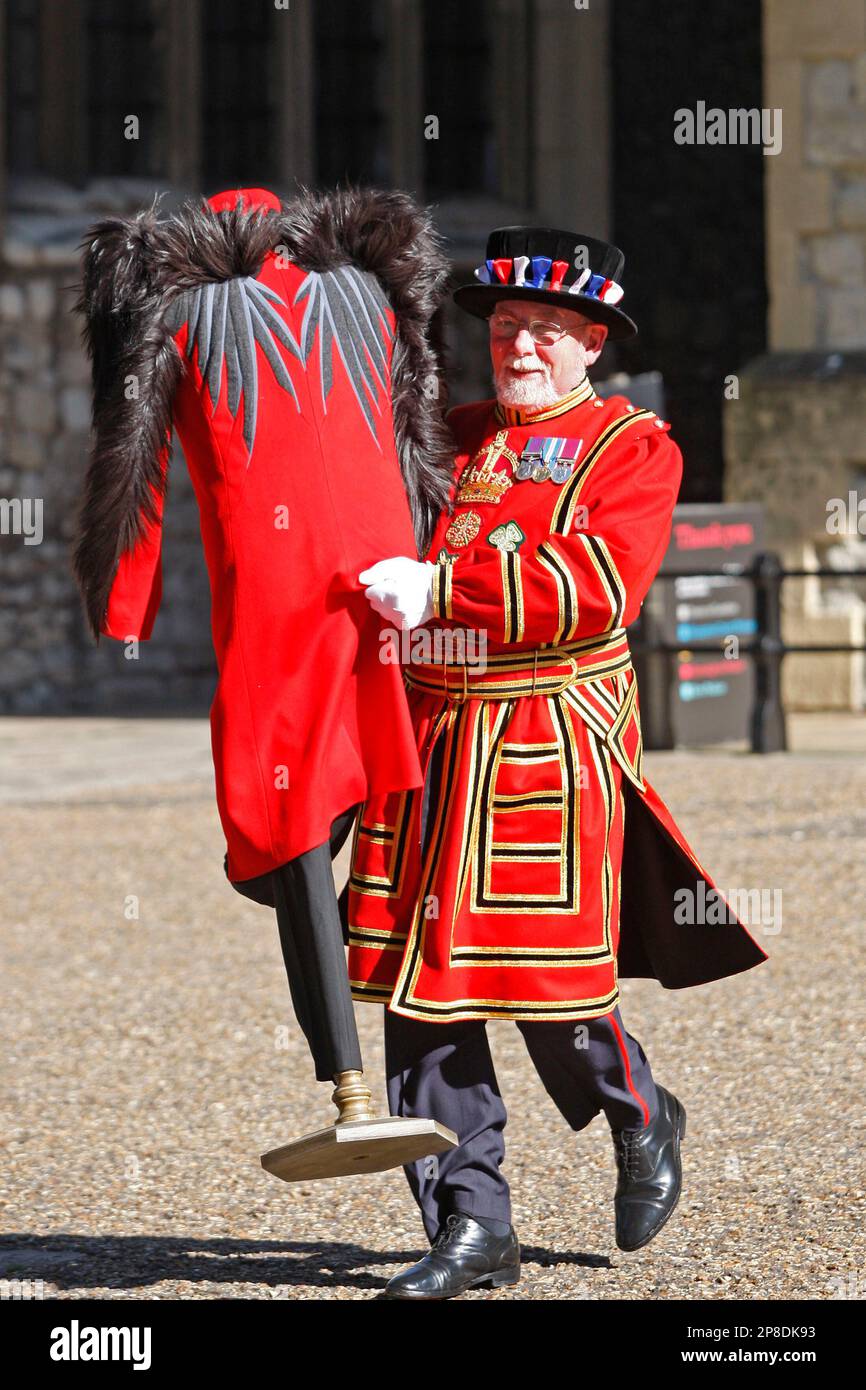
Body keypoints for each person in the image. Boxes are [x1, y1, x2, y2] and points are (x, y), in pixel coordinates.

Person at [349, 226, 768, 1300]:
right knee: (421, 999)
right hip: (434, 744)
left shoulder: (631, 446)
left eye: (542, 329)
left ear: (590, 342)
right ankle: (471, 1225)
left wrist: (441, 593)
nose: (518, 346)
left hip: (545, 744)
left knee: (551, 986)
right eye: (502, 327)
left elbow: (594, 589)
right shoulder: (447, 436)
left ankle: (640, 1111)